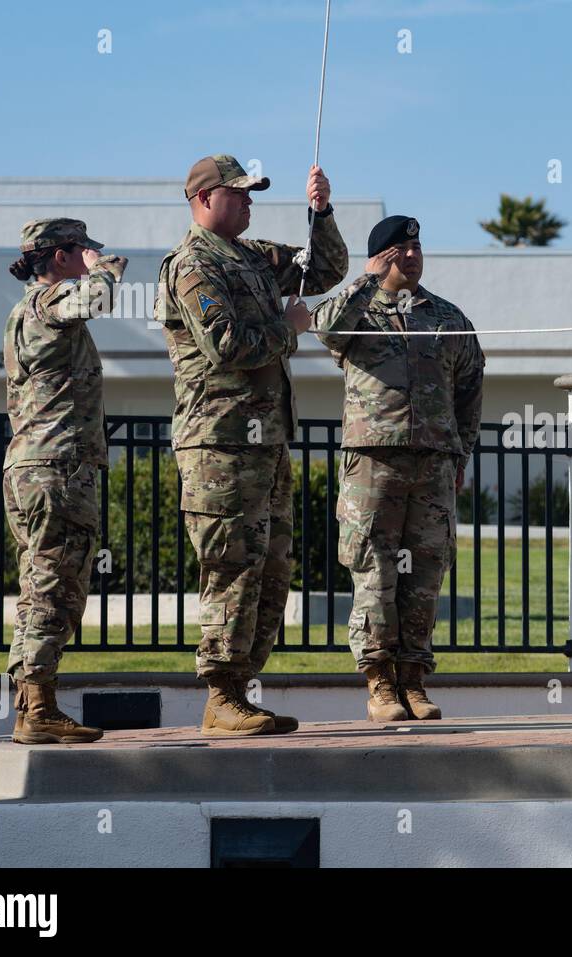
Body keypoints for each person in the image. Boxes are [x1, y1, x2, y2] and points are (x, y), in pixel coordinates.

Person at [156, 155, 348, 736]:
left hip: (265, 444)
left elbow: (325, 270)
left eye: (251, 194)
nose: (248, 202)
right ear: (205, 198)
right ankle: (220, 694)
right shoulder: (193, 265)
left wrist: (322, 212)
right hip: (220, 445)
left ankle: (239, 689)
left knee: (270, 570)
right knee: (232, 566)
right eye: (238, 194)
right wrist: (288, 328)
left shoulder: (256, 257)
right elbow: (228, 346)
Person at [312, 215, 484, 722]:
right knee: (374, 569)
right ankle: (379, 683)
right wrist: (365, 277)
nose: (410, 256)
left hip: (433, 462)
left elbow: (471, 386)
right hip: (374, 459)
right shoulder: (358, 311)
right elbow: (322, 328)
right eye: (397, 250)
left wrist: (461, 452)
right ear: (380, 257)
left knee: (425, 573)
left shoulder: (448, 317)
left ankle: (414, 678)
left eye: (415, 247)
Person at [4, 218, 127, 744]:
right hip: (57, 469)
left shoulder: (25, 310)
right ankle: (38, 706)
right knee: (57, 587)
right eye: (83, 253)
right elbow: (93, 302)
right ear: (60, 256)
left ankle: (32, 701)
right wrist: (106, 275)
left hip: (33, 468)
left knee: (39, 586)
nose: (90, 259)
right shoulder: (50, 303)